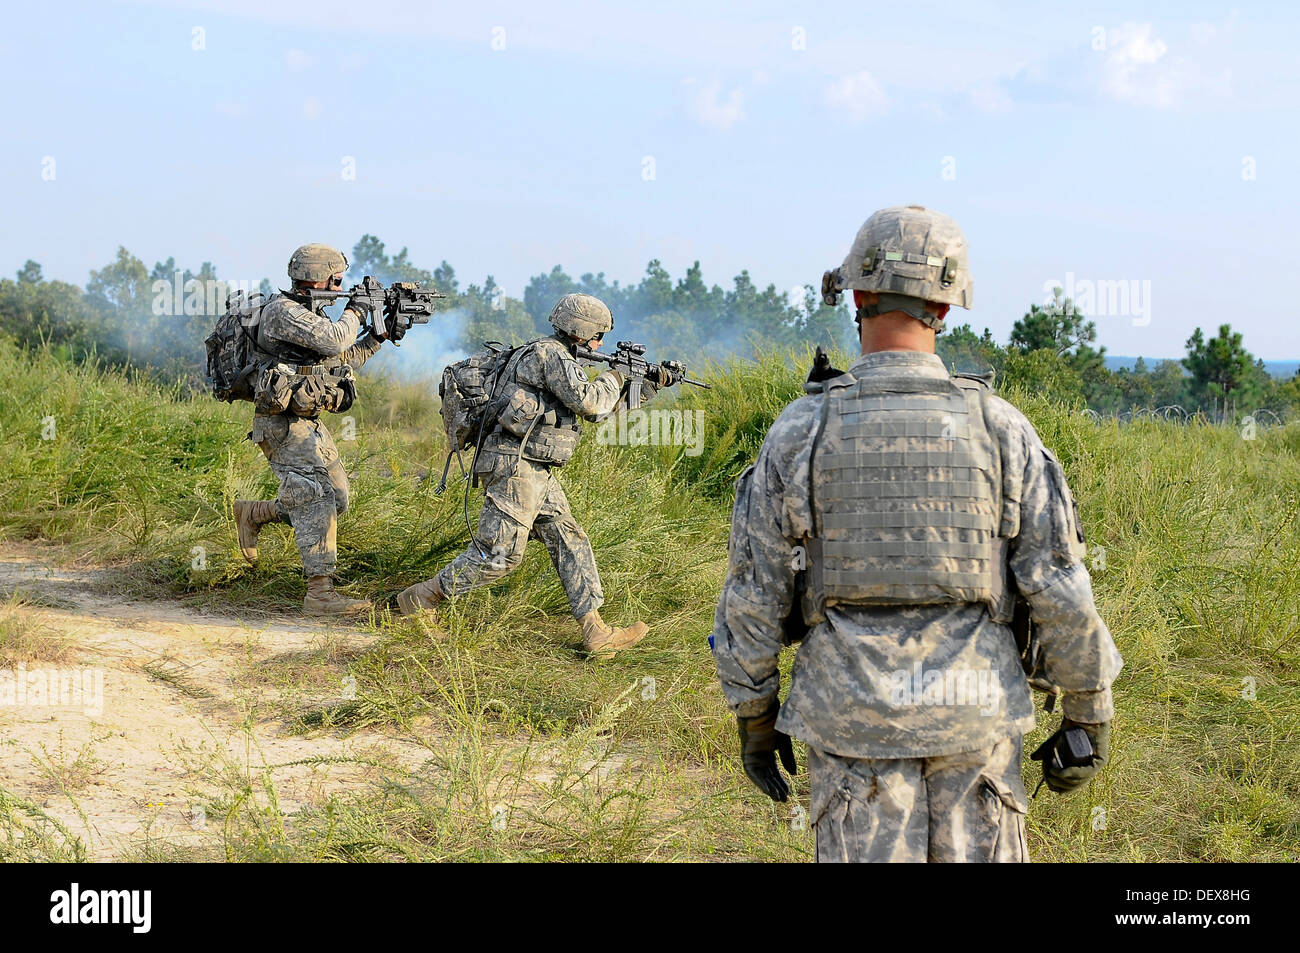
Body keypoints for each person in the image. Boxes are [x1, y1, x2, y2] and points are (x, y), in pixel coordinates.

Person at [711, 205, 1123, 862]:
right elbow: (1057, 583)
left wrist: (755, 716)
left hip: (852, 726)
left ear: (860, 293)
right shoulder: (1001, 428)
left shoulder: (802, 431)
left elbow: (755, 592)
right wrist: (1087, 708)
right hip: (976, 718)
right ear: (947, 306)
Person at [398, 293, 665, 657]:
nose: (600, 343)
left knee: (569, 538)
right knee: (501, 554)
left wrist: (647, 385)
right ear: (581, 330)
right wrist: (617, 374)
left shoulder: (561, 359)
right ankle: (423, 598)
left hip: (534, 467)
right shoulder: (549, 355)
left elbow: (599, 411)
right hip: (514, 466)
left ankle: (595, 631)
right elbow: (590, 401)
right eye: (598, 335)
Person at [232, 243, 387, 616]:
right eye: (336, 280)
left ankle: (255, 513)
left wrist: (379, 336)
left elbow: (342, 357)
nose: (339, 286)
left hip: (305, 422)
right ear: (320, 277)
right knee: (315, 497)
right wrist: (357, 309)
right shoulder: (283, 311)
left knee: (337, 498)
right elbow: (335, 338)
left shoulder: (306, 316)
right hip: (281, 425)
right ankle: (320, 595)